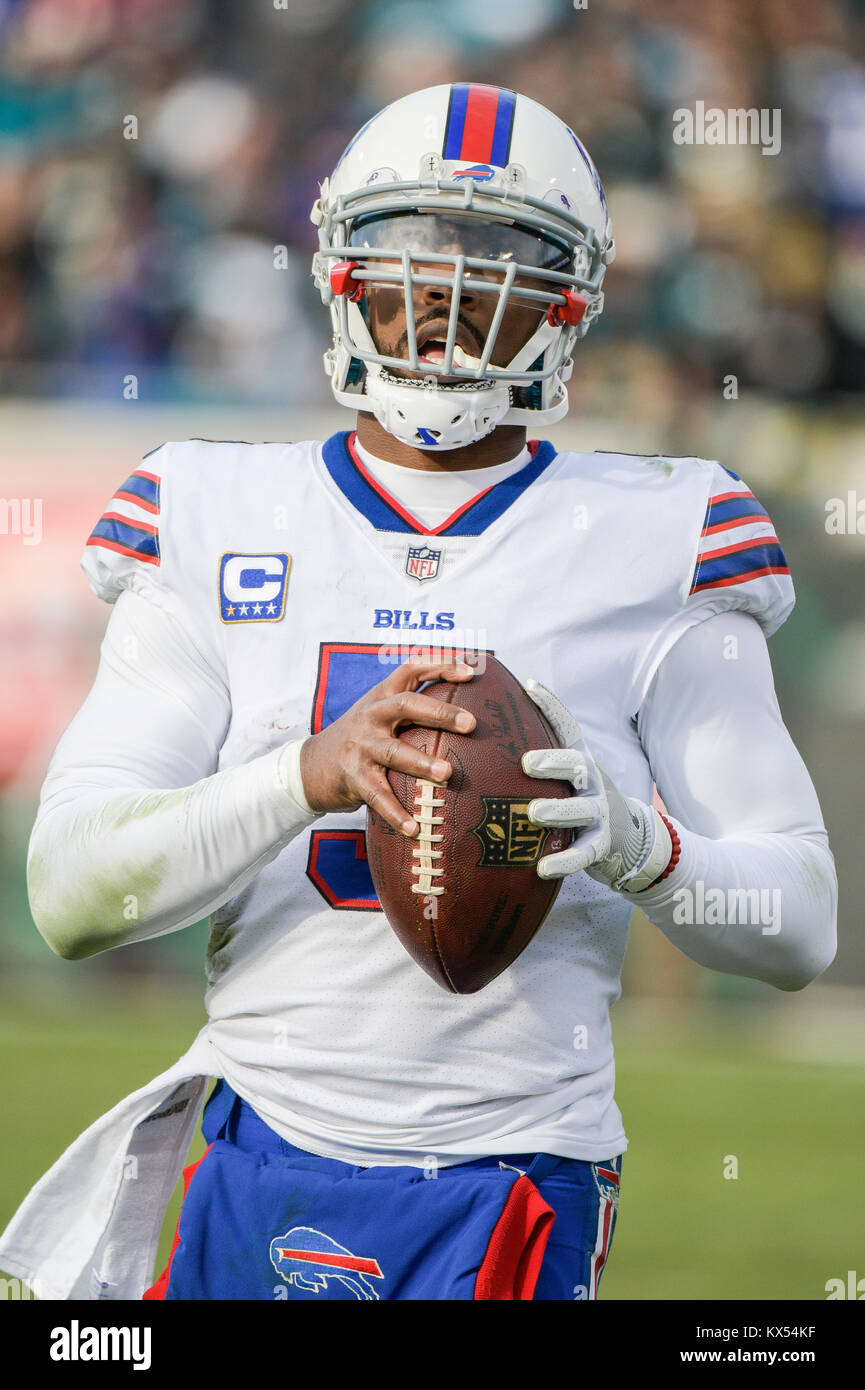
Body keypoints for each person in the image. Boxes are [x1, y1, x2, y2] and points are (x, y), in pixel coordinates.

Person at [0, 84, 836, 1302]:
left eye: (496, 251)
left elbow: (801, 923)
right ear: (340, 271)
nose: (446, 288)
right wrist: (308, 774)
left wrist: (638, 846)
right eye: (411, 245)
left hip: (513, 1166)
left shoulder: (662, 531)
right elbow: (69, 895)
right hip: (249, 1138)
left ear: (572, 298)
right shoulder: (213, 509)